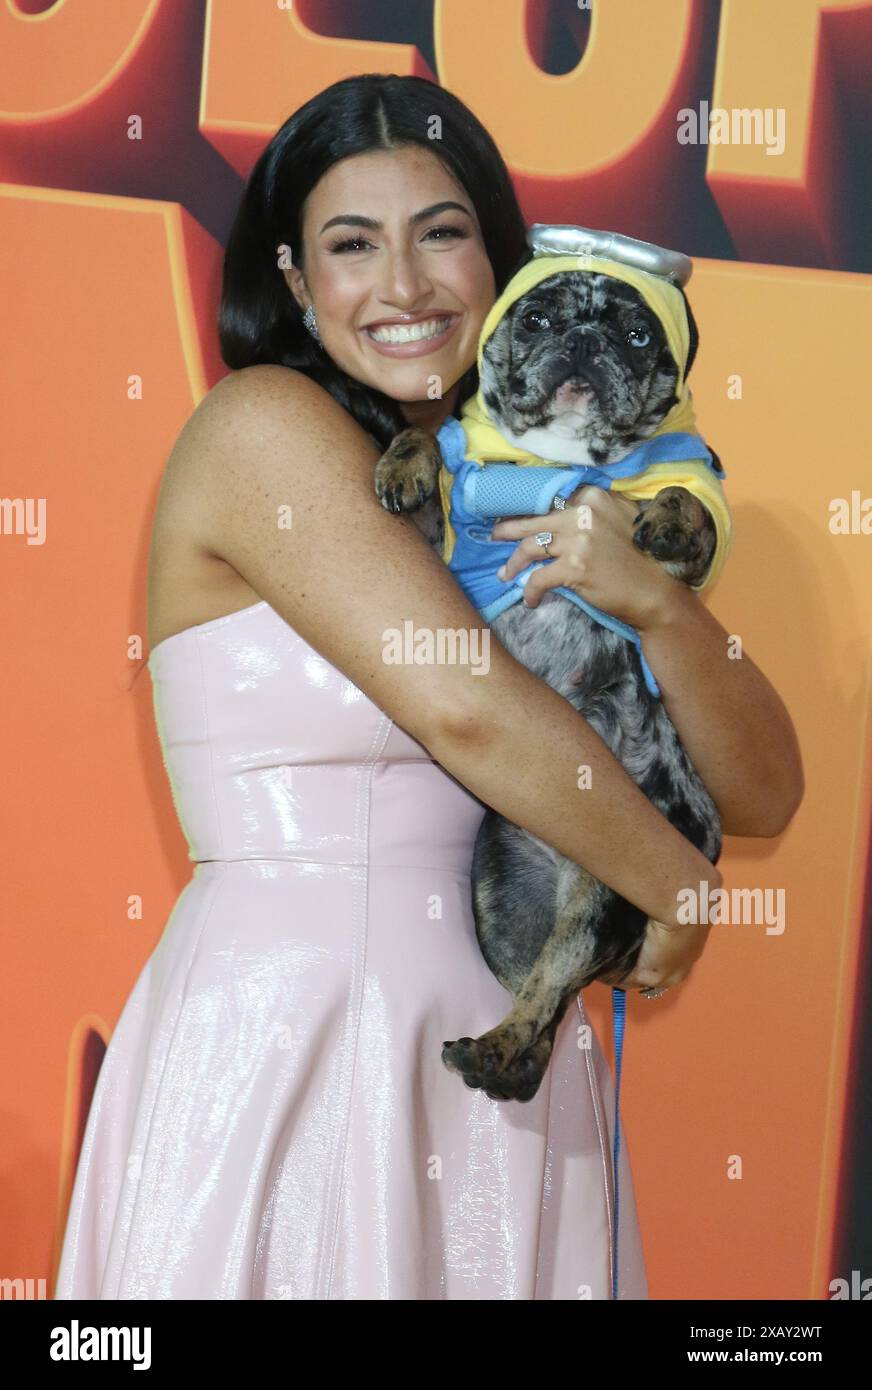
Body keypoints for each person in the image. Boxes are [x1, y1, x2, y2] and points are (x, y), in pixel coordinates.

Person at [53, 74, 803, 1301]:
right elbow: (464, 703)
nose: (402, 288)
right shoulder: (261, 428)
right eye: (352, 246)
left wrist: (654, 597)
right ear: (294, 280)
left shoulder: (560, 492)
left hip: (505, 1061)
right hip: (299, 1035)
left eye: (441, 234)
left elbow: (764, 788)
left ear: (501, 263)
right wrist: (671, 884)